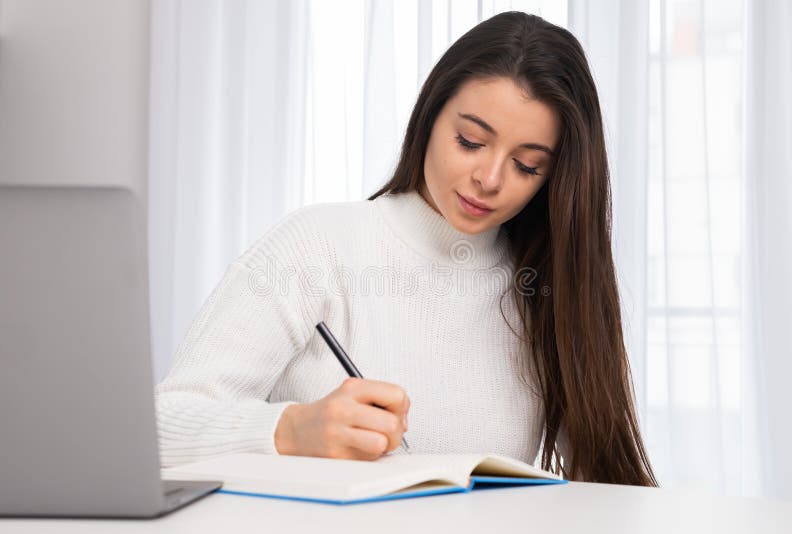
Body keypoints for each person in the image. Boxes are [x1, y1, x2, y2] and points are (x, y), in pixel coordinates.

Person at [155, 11, 658, 486]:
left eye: (527, 166)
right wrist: (290, 430)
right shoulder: (316, 247)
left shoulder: (546, 286)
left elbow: (610, 484)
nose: (489, 179)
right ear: (430, 115)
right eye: (469, 141)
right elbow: (157, 429)